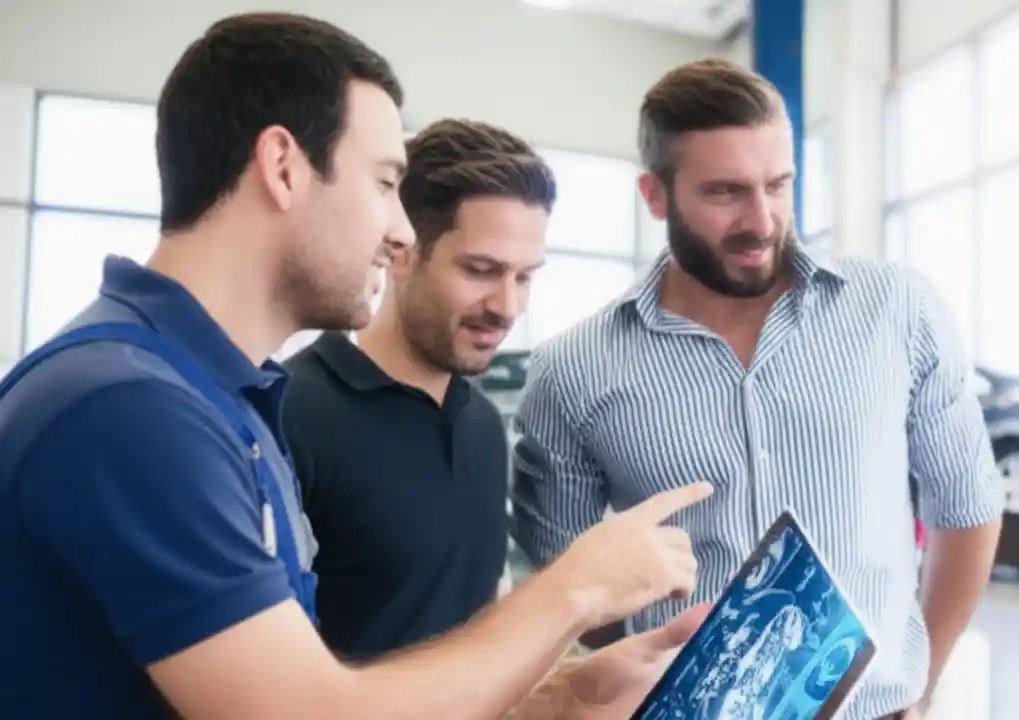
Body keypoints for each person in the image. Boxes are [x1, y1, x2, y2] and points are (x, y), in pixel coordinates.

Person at [0, 13, 712, 719]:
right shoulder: (129, 410)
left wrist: (562, 694)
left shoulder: (223, 402)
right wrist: (576, 589)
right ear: (283, 168)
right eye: (382, 184)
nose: (398, 231)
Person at [511, 58, 1005, 720]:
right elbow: (559, 583)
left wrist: (920, 688)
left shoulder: (899, 313)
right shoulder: (573, 371)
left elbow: (968, 506)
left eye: (779, 184)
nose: (762, 219)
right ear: (655, 196)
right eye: (725, 192)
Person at [281, 118, 552, 659]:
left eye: (523, 277)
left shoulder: (479, 424)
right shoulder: (288, 412)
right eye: (480, 270)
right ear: (401, 250)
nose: (507, 307)